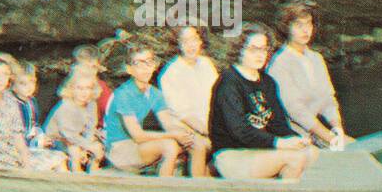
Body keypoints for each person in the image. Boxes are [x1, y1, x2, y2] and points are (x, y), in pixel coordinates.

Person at [207, 23, 311, 180]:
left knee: (311, 152)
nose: (260, 55)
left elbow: (278, 124)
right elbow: (240, 131)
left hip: (261, 150)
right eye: (253, 49)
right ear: (239, 50)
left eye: (264, 49)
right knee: (294, 158)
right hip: (232, 154)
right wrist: (278, 143)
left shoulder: (267, 82)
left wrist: (297, 140)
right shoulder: (228, 82)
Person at [0, 55, 64, 191]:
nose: (0, 79)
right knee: (41, 169)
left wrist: (26, 161)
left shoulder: (10, 100)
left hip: (9, 151)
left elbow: (18, 136)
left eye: (4, 74)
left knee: (58, 158)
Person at [105, 42, 206, 176]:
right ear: (129, 69)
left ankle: (198, 188)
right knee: (169, 146)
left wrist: (186, 135)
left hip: (138, 145)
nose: (145, 68)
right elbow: (138, 136)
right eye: (138, 64)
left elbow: (168, 124)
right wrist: (173, 135)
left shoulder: (154, 93)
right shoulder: (123, 94)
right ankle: (164, 190)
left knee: (196, 144)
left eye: (149, 62)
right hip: (120, 148)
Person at [267, 3, 351, 150]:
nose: (305, 30)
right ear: (287, 28)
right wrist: (330, 138)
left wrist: (337, 129)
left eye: (309, 24)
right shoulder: (279, 64)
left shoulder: (316, 58)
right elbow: (296, 111)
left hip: (316, 133)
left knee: (358, 148)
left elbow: (328, 100)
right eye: (298, 25)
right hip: (291, 135)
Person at [157, 24, 217, 177]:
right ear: (178, 44)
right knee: (200, 145)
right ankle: (197, 188)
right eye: (185, 41)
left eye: (194, 39)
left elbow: (217, 97)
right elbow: (183, 114)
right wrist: (208, 130)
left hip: (208, 123)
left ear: (200, 41)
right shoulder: (171, 73)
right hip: (183, 126)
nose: (191, 46)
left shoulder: (206, 64)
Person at [44, 65, 106, 172]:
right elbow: (68, 135)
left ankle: (93, 173)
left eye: (88, 88)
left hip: (77, 138)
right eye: (80, 88)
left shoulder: (91, 104)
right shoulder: (66, 106)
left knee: (98, 147)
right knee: (75, 150)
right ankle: (76, 175)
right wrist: (87, 146)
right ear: (71, 89)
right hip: (56, 140)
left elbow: (90, 127)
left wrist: (90, 144)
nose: (84, 92)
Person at [11, 60, 68, 172]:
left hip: (31, 143)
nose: (29, 87)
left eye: (32, 82)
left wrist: (41, 136)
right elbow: (14, 136)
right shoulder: (12, 105)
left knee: (61, 151)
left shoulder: (31, 101)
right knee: (53, 161)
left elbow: (34, 125)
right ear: (12, 85)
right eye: (23, 83)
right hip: (17, 149)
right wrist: (37, 142)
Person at [70, 44, 114, 129]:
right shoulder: (70, 86)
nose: (89, 71)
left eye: (93, 67)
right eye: (85, 67)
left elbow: (110, 110)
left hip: (98, 129)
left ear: (98, 68)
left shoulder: (101, 87)